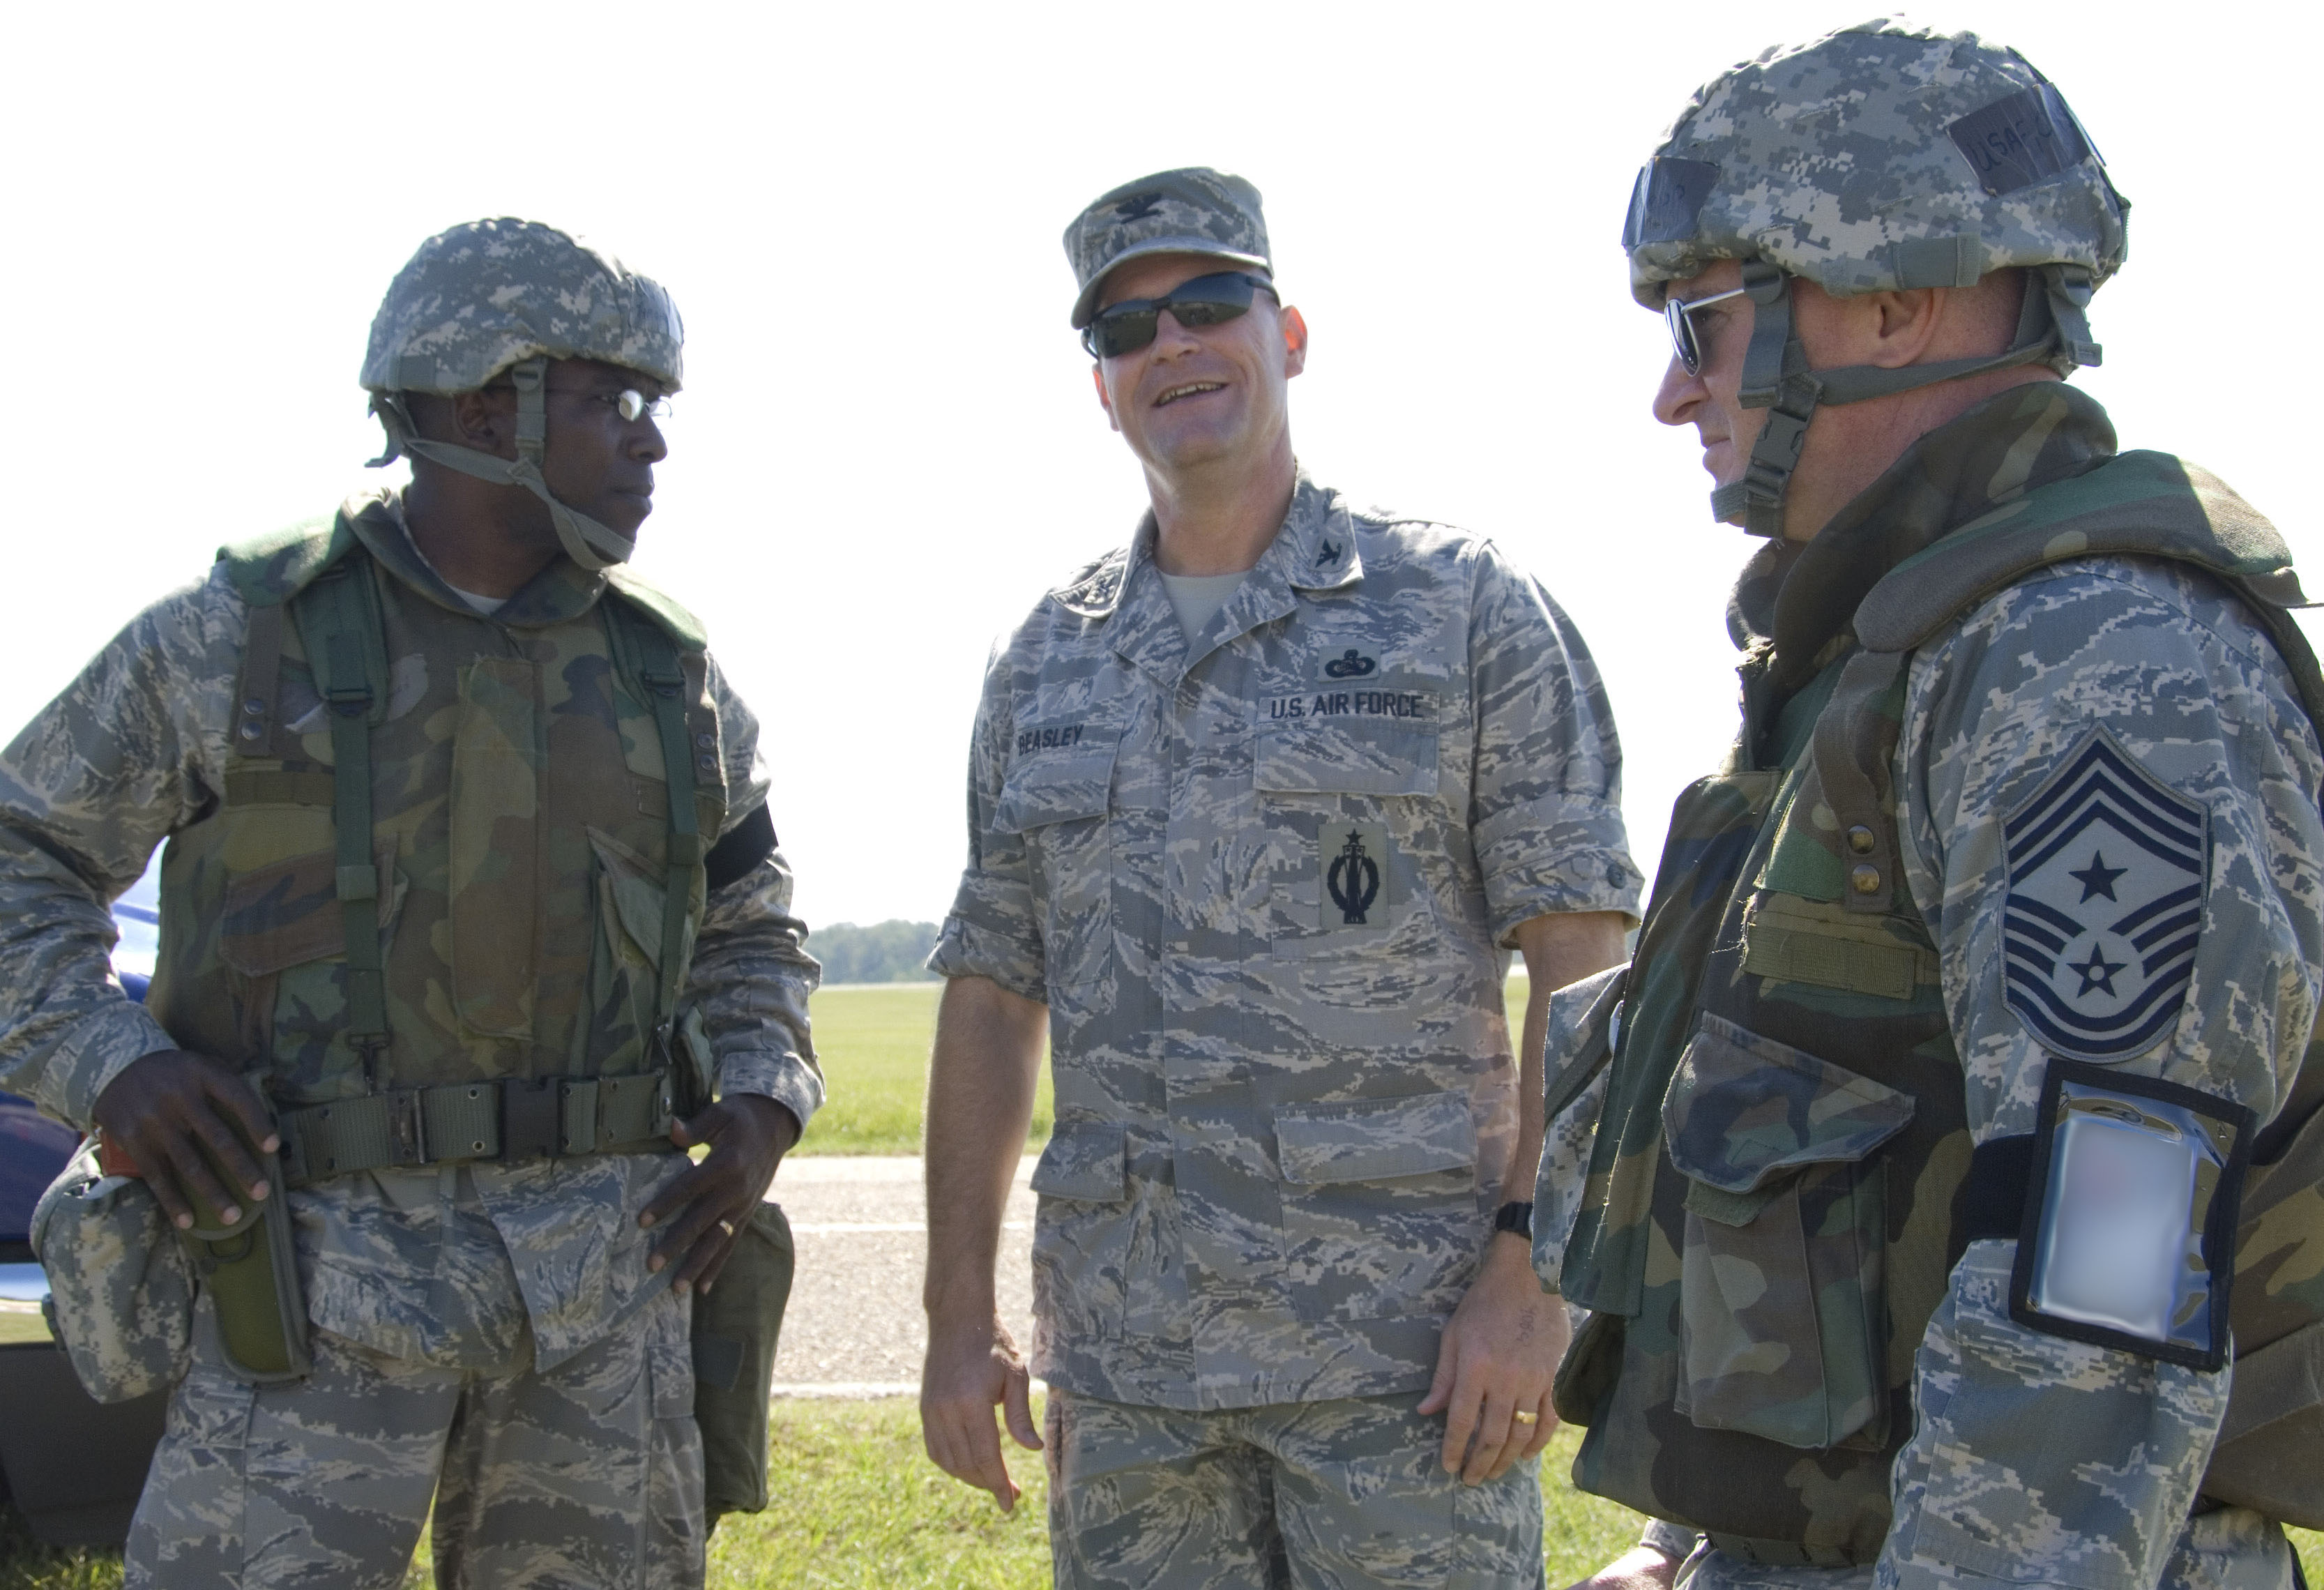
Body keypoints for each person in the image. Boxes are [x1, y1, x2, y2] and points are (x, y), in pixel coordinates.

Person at [1535, 22, 2324, 1590]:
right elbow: (1828, 1160)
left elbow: (2107, 1257)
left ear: (1891, 305)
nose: (1670, 392)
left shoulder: (2092, 660)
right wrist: (1695, 1545)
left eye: (1702, 323)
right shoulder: (1889, 652)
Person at [0, 217, 822, 1588]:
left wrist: (759, 1100)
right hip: (309, 1301)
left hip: (598, 1301)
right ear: (477, 401)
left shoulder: (664, 677)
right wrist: (109, 1064)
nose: (651, 444)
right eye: (614, 401)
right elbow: (20, 852)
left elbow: (754, 931)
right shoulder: (233, 641)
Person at [918, 166, 1642, 1588]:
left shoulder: (1461, 608)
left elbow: (1585, 959)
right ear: (1101, 389)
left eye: (1207, 305)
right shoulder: (1048, 660)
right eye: (1125, 332)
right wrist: (957, 1313)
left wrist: (1529, 1274)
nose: (1169, 346)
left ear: (1287, 333)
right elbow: (995, 998)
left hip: (1403, 1363)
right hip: (1132, 1378)